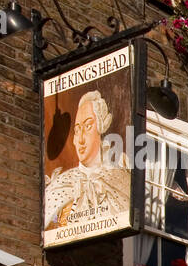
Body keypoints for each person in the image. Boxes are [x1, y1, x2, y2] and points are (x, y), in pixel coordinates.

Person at [44, 89, 130, 229]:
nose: (81, 139)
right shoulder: (60, 185)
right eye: (77, 130)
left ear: (101, 128)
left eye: (88, 126)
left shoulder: (121, 181)